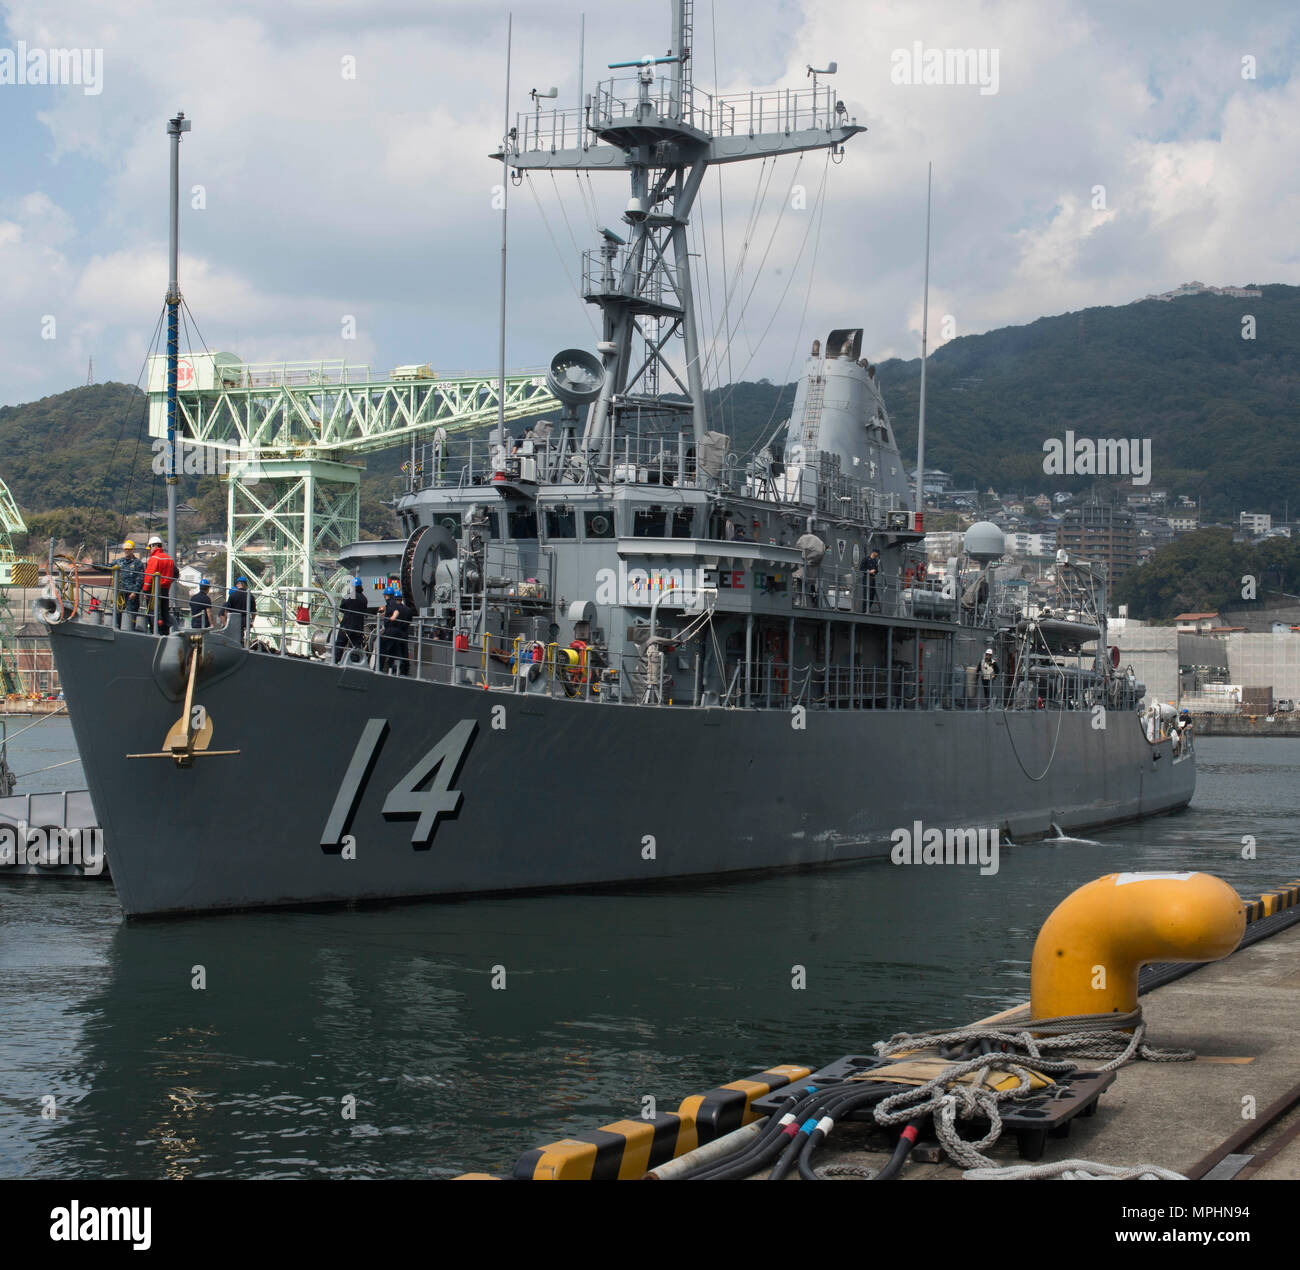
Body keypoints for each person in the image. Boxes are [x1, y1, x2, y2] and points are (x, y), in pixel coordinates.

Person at [140, 534, 177, 635]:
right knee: (165, 611)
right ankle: (165, 631)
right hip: (165, 590)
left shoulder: (154, 559)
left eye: (149, 548)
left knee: (153, 612)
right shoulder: (169, 559)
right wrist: (168, 581)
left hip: (154, 590)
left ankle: (154, 631)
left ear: (153, 546)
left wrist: (146, 591)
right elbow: (176, 573)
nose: (149, 550)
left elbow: (148, 576)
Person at [378, 584, 414, 675]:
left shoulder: (393, 606)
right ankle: (404, 672)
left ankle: (382, 668)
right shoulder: (408, 610)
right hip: (403, 634)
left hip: (391, 632)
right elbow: (409, 622)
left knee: (386, 650)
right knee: (403, 654)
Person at [334, 577, 370, 664]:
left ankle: (335, 660)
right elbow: (364, 611)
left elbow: (342, 608)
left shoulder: (349, 595)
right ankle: (355, 662)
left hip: (347, 625)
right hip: (358, 627)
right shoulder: (364, 599)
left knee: (340, 643)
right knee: (356, 646)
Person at [112, 539, 145, 630]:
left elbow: (140, 579)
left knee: (131, 615)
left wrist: (135, 592)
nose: (127, 551)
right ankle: (117, 629)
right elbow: (108, 567)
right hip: (120, 594)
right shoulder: (119, 562)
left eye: (129, 549)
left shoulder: (138, 563)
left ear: (132, 550)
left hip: (131, 595)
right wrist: (94, 565)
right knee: (118, 614)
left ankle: (130, 631)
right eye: (125, 549)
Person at [222, 577, 256, 645]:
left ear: (238, 585)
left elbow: (227, 610)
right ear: (245, 585)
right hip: (245, 619)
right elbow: (253, 612)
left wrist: (226, 621)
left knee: (235, 635)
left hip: (234, 619)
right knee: (243, 635)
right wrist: (252, 621)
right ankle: (242, 644)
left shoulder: (233, 595)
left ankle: (236, 644)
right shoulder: (250, 596)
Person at [864, 548, 881, 612]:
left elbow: (877, 570)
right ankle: (864, 610)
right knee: (866, 594)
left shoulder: (875, 561)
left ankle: (868, 608)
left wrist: (874, 571)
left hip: (872, 579)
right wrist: (868, 571)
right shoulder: (866, 559)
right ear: (874, 552)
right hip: (866, 578)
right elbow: (861, 568)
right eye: (877, 553)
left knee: (872, 594)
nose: (877, 554)